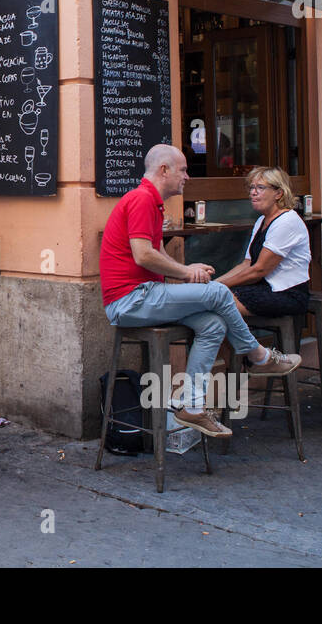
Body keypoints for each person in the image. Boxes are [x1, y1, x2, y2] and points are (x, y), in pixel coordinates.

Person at [100, 144, 301, 438]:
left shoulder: (152, 202)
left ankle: (191, 405)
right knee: (218, 294)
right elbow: (143, 255)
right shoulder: (142, 199)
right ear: (164, 170)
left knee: (213, 324)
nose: (187, 177)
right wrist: (186, 273)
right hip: (130, 300)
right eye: (182, 170)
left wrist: (186, 268)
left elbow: (156, 252)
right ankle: (259, 357)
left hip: (144, 295)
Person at [216, 166, 311, 318]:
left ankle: (247, 343)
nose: (253, 193)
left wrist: (220, 286)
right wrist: (215, 283)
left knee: (217, 301)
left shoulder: (287, 221)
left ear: (279, 193)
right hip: (262, 287)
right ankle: (241, 343)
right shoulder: (262, 220)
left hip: (286, 293)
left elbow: (259, 270)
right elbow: (247, 264)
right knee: (211, 301)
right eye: (252, 188)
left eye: (260, 187)